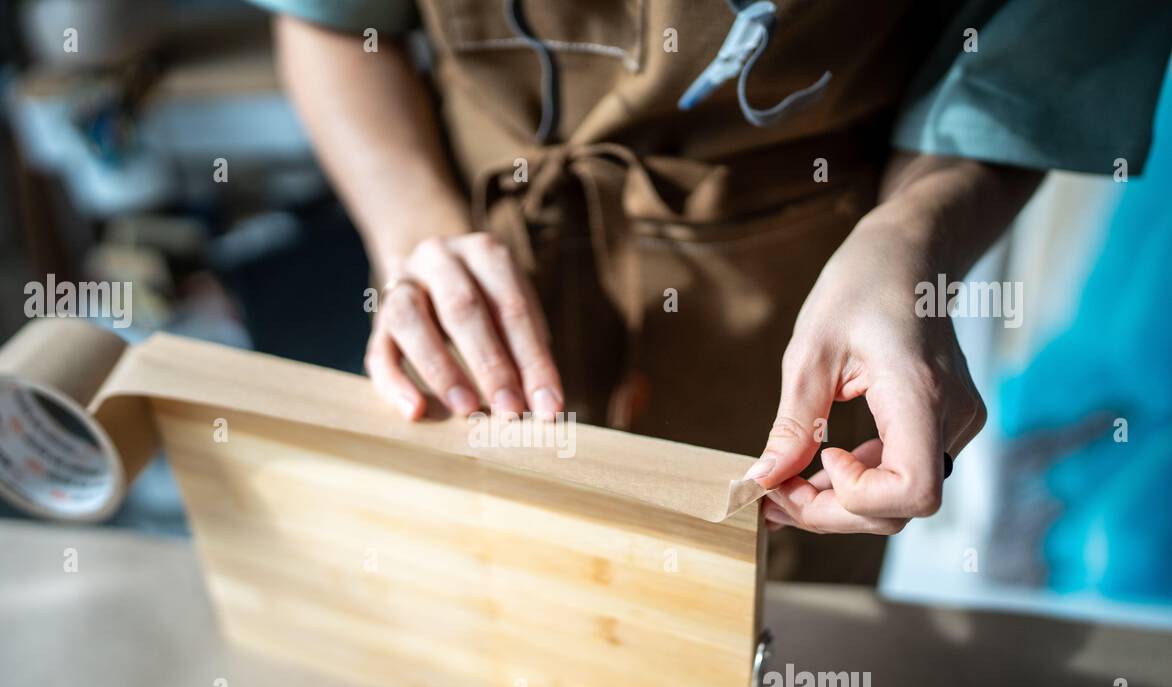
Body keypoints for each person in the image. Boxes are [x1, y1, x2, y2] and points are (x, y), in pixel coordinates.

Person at [251, 0, 1172, 582]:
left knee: (765, 614)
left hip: (810, 298)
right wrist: (412, 226)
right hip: (480, 273)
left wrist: (915, 237)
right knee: (481, 586)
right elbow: (330, 23)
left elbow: (1023, 57)